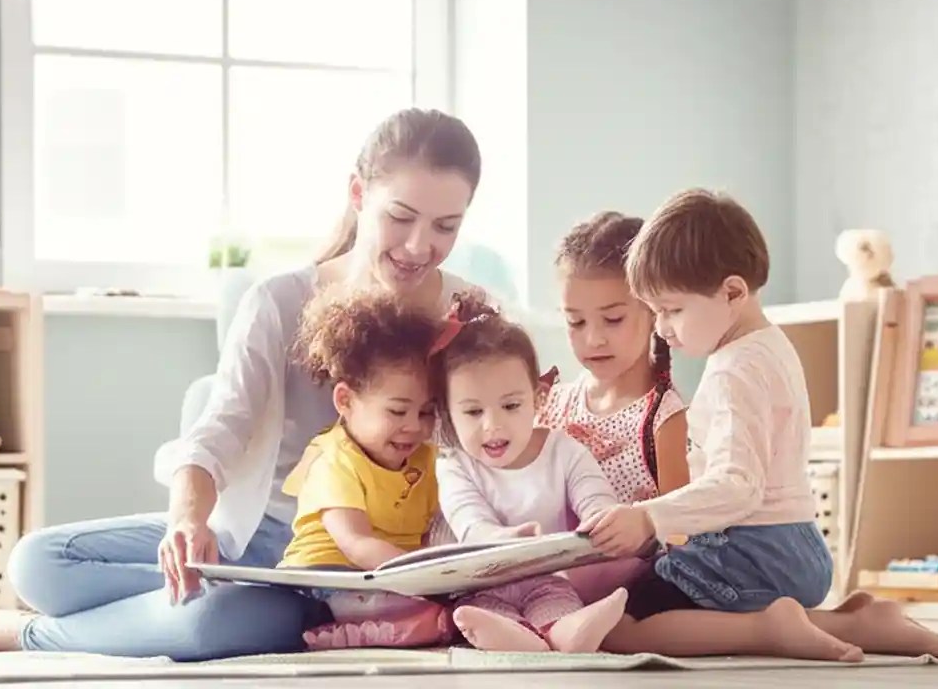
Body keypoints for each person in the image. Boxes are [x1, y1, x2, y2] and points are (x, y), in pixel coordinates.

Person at [0, 107, 486, 660]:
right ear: (358, 193)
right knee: (40, 563)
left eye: (445, 226)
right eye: (401, 217)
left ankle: (6, 635)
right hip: (261, 541)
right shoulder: (280, 301)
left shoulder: (468, 312)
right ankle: (122, 606)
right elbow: (220, 427)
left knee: (212, 624)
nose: (418, 246)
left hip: (378, 562)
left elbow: (493, 442)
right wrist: (188, 520)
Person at [581, 188, 938, 661]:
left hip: (751, 551)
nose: (661, 328)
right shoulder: (770, 347)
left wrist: (651, 515)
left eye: (672, 309)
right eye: (655, 311)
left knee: (621, 625)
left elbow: (739, 486)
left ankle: (768, 630)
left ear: (732, 292)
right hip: (791, 542)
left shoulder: (734, 369)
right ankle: (860, 624)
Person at [433, 291, 629, 653]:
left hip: (547, 577)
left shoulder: (563, 450)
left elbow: (595, 496)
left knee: (558, 601)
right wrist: (503, 537)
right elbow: (469, 522)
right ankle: (517, 638)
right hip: (484, 580)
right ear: (448, 411)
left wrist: (601, 518)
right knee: (480, 609)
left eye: (510, 405)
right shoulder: (454, 465)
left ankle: (568, 632)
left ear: (537, 398)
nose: (493, 425)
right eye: (473, 412)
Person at [275, 285, 452, 650]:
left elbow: (431, 533)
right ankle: (356, 629)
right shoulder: (333, 458)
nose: (414, 427)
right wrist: (424, 577)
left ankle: (396, 622)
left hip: (387, 577)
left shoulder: (428, 459)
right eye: (397, 411)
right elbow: (356, 544)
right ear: (345, 400)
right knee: (418, 607)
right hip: (325, 578)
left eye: (426, 412)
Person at [534, 210, 690, 604]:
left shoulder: (664, 417)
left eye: (613, 319)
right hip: (548, 572)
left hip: (630, 588)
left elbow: (684, 533)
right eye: (576, 322)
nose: (594, 339)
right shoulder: (552, 405)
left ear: (653, 310)